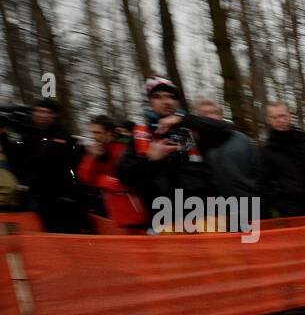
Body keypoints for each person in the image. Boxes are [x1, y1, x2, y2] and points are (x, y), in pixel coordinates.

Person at [117, 76, 233, 222]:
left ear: (177, 102)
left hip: (206, 215)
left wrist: (183, 119)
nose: (166, 101)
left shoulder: (191, 128)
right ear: (150, 102)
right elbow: (123, 175)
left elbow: (226, 128)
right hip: (165, 218)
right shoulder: (141, 134)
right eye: (158, 97)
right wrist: (149, 159)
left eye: (171, 97)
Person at [5, 99, 83, 232]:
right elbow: (18, 158)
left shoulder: (61, 134)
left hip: (61, 196)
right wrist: (4, 136)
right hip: (36, 197)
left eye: (47, 112)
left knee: (64, 234)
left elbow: (45, 154)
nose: (42, 115)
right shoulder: (28, 135)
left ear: (53, 115)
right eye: (39, 111)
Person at [77, 114, 147, 230]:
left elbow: (130, 177)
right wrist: (92, 157)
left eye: (97, 133)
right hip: (114, 210)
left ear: (109, 132)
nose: (94, 136)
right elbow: (85, 177)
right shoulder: (96, 150)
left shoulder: (124, 147)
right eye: (92, 133)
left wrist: (108, 181)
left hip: (135, 207)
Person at [190, 98, 259, 201]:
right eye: (204, 113)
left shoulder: (241, 139)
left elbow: (258, 170)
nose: (210, 117)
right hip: (215, 208)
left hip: (249, 202)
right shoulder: (193, 144)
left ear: (221, 116)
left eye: (214, 112)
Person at [258, 103, 305, 217]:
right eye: (274, 117)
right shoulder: (266, 150)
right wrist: (282, 205)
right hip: (289, 211)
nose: (279, 120)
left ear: (290, 116)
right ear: (268, 120)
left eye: (282, 116)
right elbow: (264, 184)